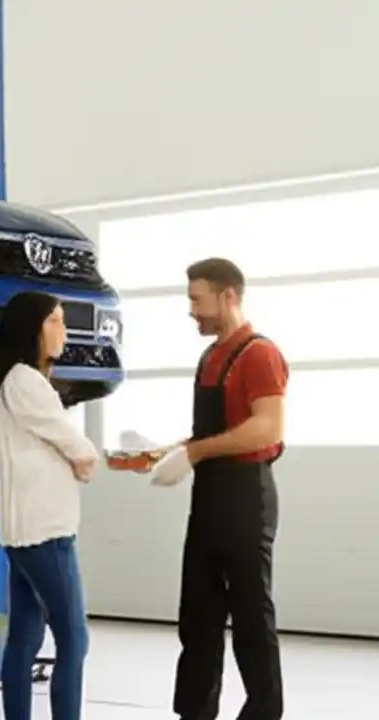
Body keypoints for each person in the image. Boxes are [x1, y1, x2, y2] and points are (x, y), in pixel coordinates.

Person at [150, 258, 287, 720]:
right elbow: (212, 432)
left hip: (246, 498)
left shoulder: (259, 354)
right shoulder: (210, 357)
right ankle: (194, 713)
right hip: (209, 499)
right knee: (199, 619)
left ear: (228, 296)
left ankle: (264, 713)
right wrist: (167, 452)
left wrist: (196, 454)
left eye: (196, 298)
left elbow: (266, 429)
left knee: (250, 619)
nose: (191, 310)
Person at [0, 290, 98, 720]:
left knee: (26, 637)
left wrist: (79, 456)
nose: (62, 331)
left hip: (27, 532)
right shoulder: (25, 380)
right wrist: (86, 458)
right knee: (73, 638)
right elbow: (76, 446)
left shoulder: (19, 381)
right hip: (46, 532)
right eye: (55, 321)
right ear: (32, 328)